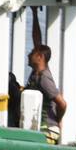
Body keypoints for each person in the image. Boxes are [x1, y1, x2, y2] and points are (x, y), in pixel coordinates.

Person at [27, 7, 67, 141]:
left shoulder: (44, 78)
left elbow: (62, 103)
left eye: (32, 53)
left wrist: (58, 119)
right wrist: (34, 14)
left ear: (39, 57)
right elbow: (37, 39)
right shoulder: (37, 72)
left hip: (47, 130)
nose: (28, 54)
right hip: (41, 128)